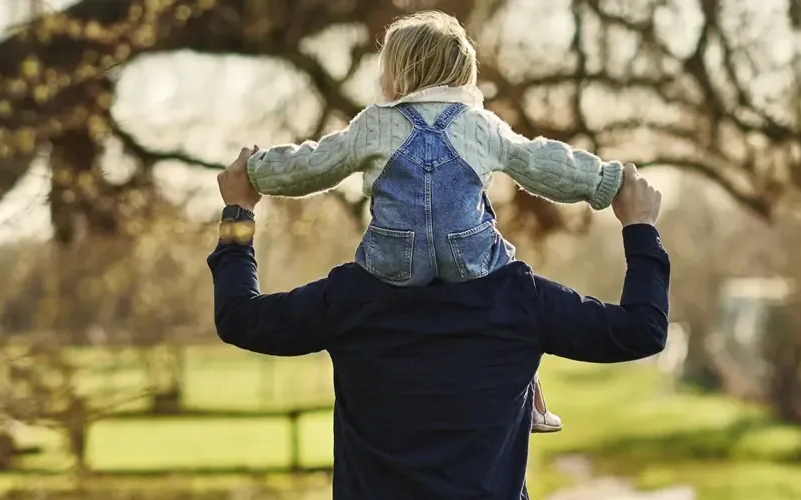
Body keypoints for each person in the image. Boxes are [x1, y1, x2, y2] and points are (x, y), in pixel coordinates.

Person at [240, 10, 630, 433]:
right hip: (471, 260)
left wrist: (258, 172)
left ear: (399, 72)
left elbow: (315, 165)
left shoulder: (374, 125)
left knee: (364, 293)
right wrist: (605, 182)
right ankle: (530, 393)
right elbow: (540, 163)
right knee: (513, 276)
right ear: (463, 73)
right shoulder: (479, 125)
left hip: (391, 261)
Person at [208, 147, 670, 499]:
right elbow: (640, 329)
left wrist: (239, 214)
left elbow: (239, 317)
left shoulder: (350, 298)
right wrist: (640, 226)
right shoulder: (518, 298)